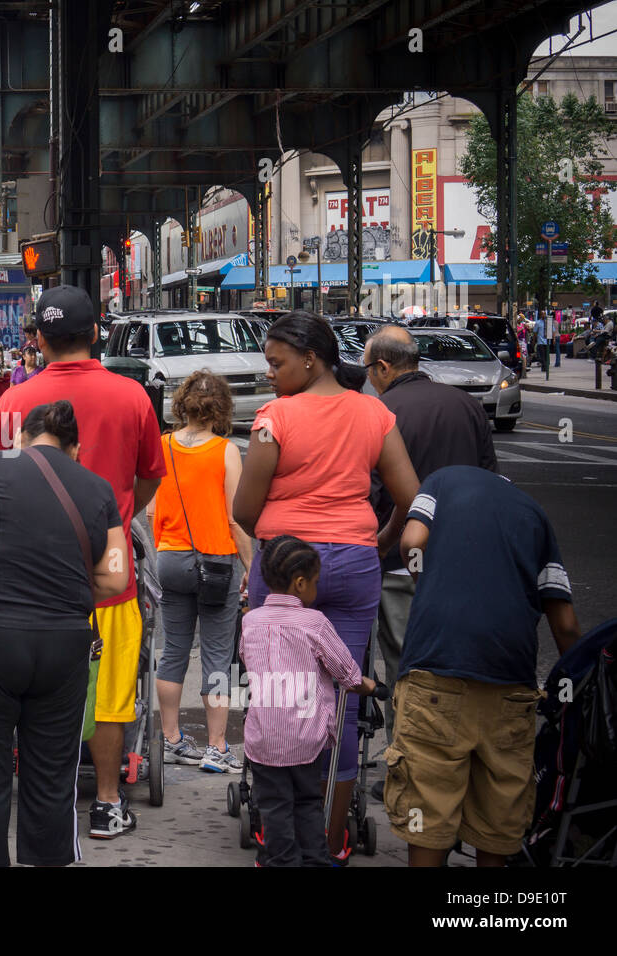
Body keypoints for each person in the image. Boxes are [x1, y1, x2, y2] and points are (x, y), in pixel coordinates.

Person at [232, 310, 419, 862]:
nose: (268, 373)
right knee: (342, 700)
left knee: (280, 692)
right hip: (356, 563)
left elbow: (244, 509)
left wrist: (282, 530)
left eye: (276, 362)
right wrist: (377, 543)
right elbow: (410, 498)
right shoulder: (374, 412)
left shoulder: (275, 417)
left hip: (286, 565)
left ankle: (280, 828)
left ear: (309, 359)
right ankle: (330, 843)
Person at [0, 284, 166, 841]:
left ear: (39, 339)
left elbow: (0, 481)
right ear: (96, 333)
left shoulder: (12, 402)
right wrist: (114, 515)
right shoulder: (132, 396)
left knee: (40, 689)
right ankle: (108, 802)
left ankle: (50, 798)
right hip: (108, 573)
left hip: (30, 576)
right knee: (112, 690)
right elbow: (148, 479)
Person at [0, 401, 129, 866]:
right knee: (53, 776)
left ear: (20, 439)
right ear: (75, 449)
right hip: (63, 644)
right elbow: (116, 577)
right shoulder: (98, 489)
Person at [387, 466, 581, 867]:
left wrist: (426, 584)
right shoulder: (535, 514)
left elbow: (412, 540)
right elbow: (564, 624)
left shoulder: (441, 481)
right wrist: (576, 690)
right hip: (509, 686)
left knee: (427, 811)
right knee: (499, 819)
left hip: (435, 674)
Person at [363, 325, 497, 746]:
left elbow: (374, 495)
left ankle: (408, 758)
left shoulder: (381, 413)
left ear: (383, 367)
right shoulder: (466, 405)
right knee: (456, 663)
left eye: (369, 371)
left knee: (406, 663)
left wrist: (379, 543)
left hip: (400, 564)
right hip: (463, 558)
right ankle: (455, 750)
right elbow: (491, 479)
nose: (369, 380)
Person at [240, 536, 378, 867]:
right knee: (307, 804)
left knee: (274, 808)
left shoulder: (250, 621)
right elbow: (347, 673)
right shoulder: (315, 623)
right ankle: (315, 860)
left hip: (262, 741)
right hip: (304, 741)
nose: (317, 589)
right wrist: (368, 685)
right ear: (300, 583)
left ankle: (280, 860)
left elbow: (248, 659)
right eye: (315, 583)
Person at [147, 372, 251, 773]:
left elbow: (154, 511)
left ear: (182, 404)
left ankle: (171, 738)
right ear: (221, 408)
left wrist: (164, 550)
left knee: (173, 650)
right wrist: (250, 567)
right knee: (216, 656)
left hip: (170, 559)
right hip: (216, 563)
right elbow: (235, 519)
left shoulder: (163, 446)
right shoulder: (225, 452)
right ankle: (218, 747)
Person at [532, 311, 548, 377]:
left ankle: (544, 367)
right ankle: (544, 366)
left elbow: (552, 330)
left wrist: (553, 339)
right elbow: (535, 332)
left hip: (547, 342)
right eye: (542, 314)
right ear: (540, 315)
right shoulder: (538, 323)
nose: (544, 315)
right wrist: (534, 340)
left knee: (546, 355)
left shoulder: (548, 323)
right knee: (541, 355)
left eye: (545, 314)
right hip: (540, 341)